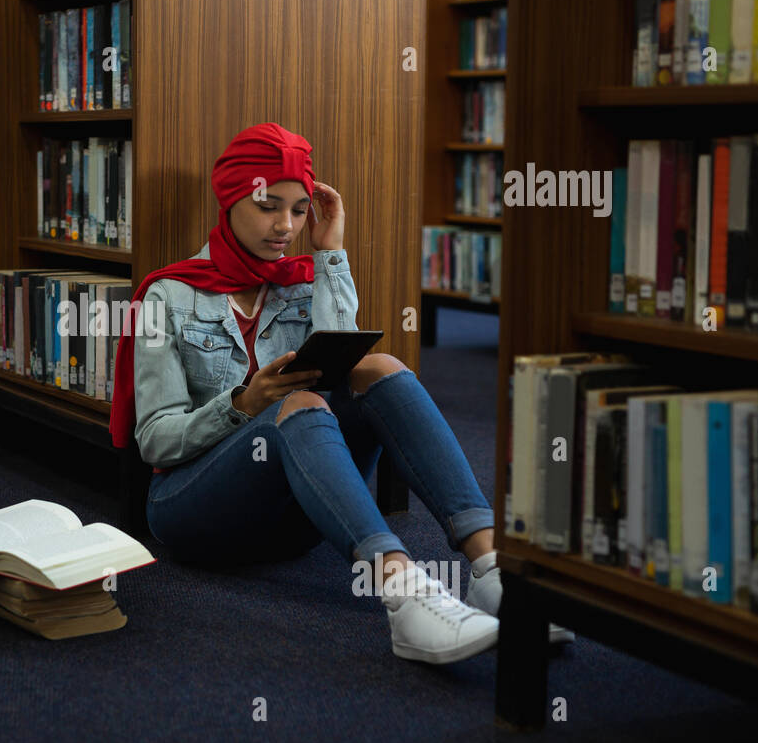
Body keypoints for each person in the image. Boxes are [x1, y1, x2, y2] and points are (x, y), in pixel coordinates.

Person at [109, 123, 572, 664]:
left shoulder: (303, 282)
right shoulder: (169, 295)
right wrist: (244, 405)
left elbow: (341, 369)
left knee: (378, 366)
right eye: (268, 206)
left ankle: (491, 567)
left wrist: (331, 253)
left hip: (297, 518)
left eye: (300, 209)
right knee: (297, 402)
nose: (285, 225)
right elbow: (155, 442)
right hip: (195, 514)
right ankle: (406, 597)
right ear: (230, 199)